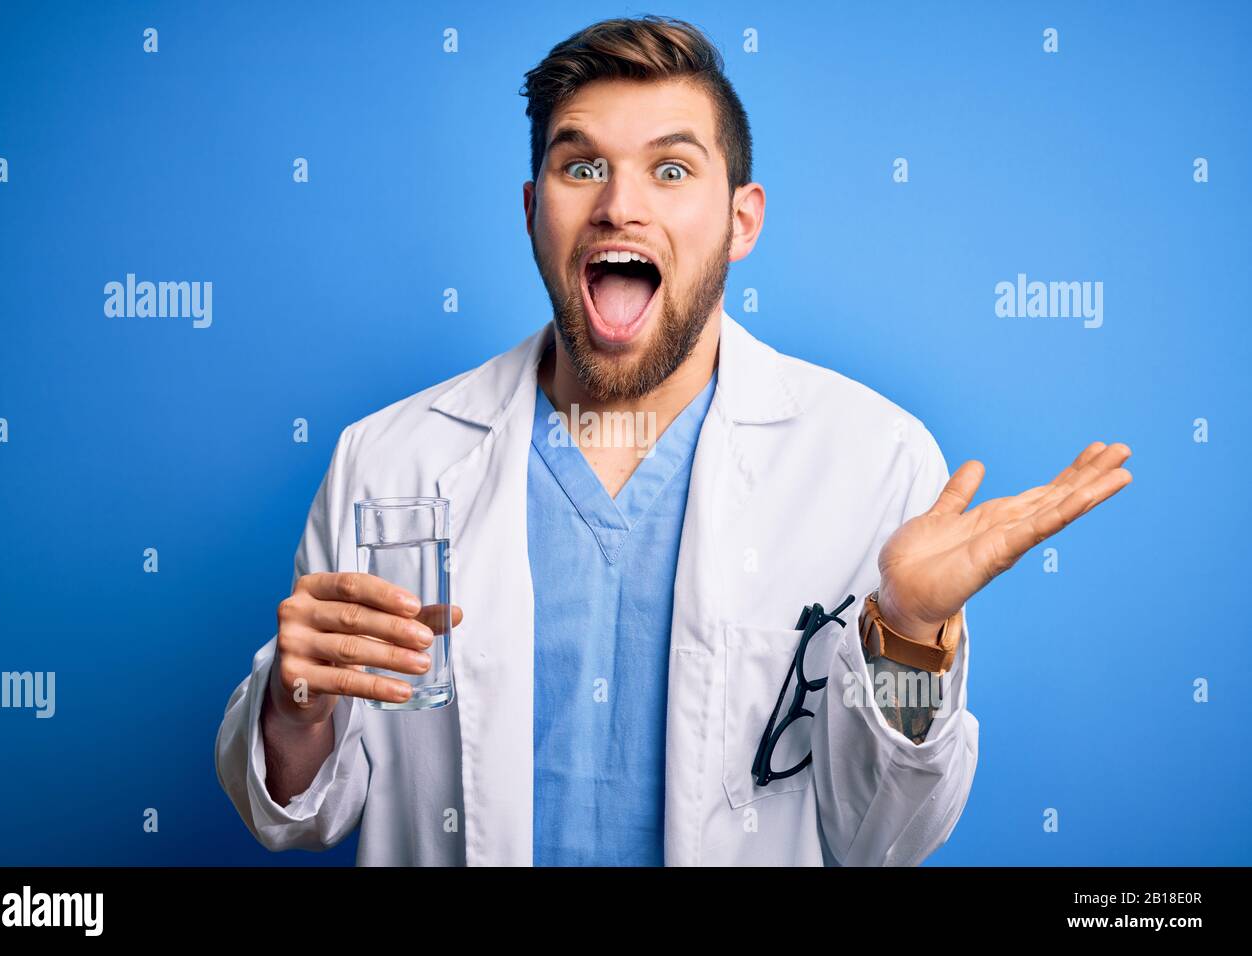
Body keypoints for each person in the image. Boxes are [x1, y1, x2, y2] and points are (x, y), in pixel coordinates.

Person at [215, 15, 1132, 866]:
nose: (619, 206)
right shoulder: (388, 460)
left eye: (671, 169)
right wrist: (296, 713)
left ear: (741, 220)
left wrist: (910, 639)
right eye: (582, 167)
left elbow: (889, 836)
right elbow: (298, 814)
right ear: (533, 211)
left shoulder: (874, 461)